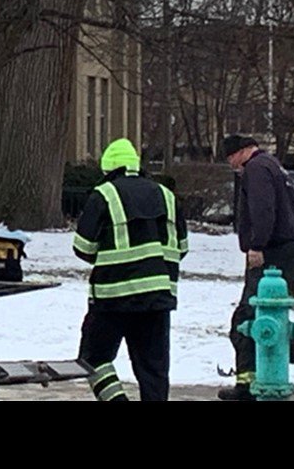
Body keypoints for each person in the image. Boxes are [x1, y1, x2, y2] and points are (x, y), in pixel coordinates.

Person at [217, 134, 294, 401]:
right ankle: (248, 382)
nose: (232, 163)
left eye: (232, 156)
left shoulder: (257, 169)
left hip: (272, 253)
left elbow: (264, 210)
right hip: (286, 248)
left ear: (245, 150)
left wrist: (257, 245)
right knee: (254, 319)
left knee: (253, 321)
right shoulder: (274, 166)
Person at [72, 138, 188, 401]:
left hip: (113, 298)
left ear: (109, 169)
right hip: (157, 297)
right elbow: (182, 247)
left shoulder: (104, 194)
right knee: (154, 370)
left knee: (93, 359)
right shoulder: (167, 195)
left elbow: (83, 247)